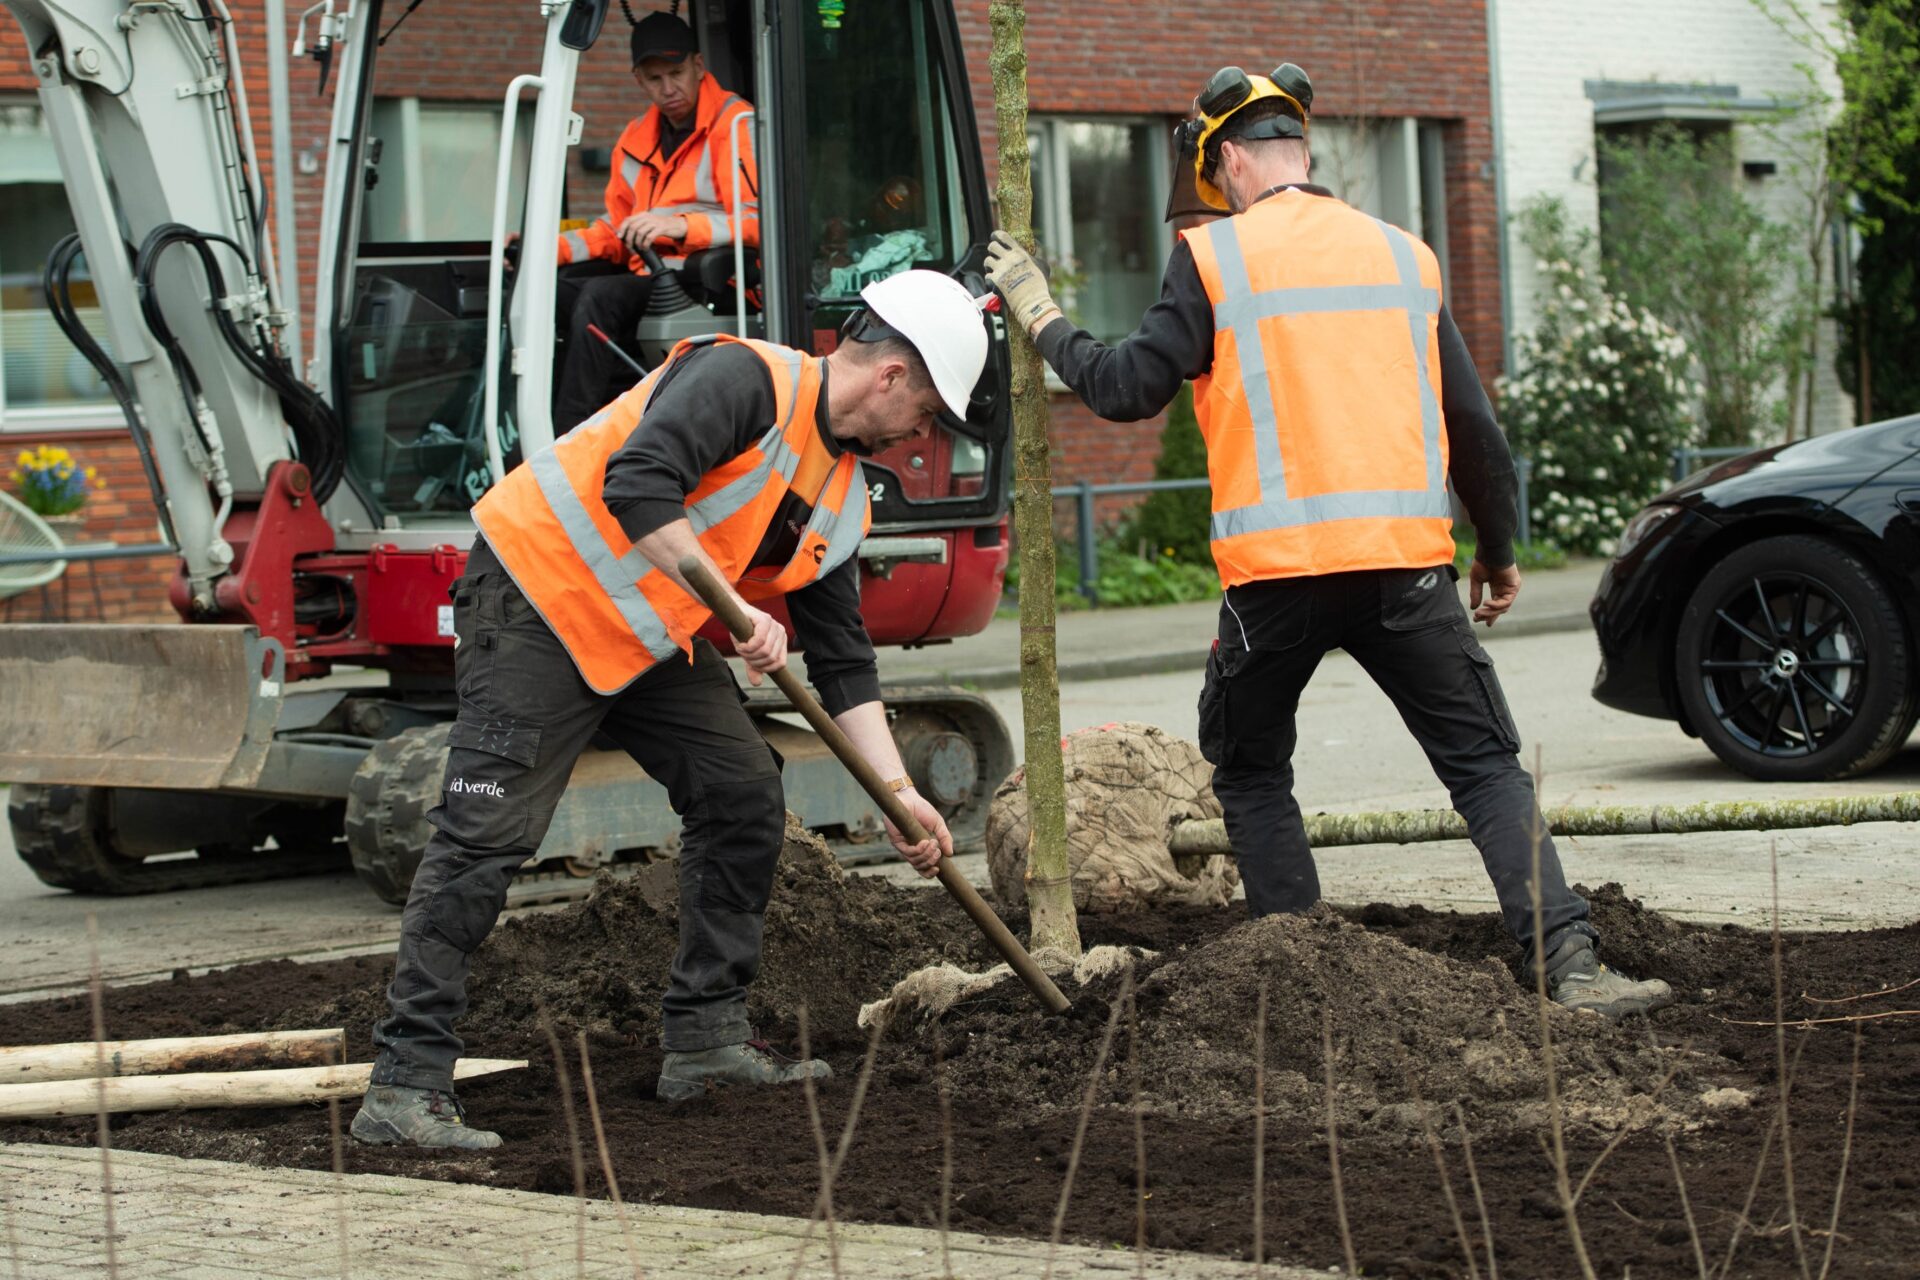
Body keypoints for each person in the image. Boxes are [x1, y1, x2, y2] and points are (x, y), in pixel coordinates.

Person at [984, 64, 1673, 1021]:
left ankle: (1305, 994)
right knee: (1483, 769)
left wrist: (1041, 313)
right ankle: (1571, 969)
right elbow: (1474, 427)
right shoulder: (1405, 255)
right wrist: (1499, 552)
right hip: (1405, 571)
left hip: (1276, 585)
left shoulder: (1215, 257)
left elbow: (1124, 390)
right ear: (1300, 150)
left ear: (1224, 159)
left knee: (1255, 774)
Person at [351, 269, 990, 1149]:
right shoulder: (743, 377)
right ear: (892, 375)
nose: (926, 434)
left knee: (742, 794)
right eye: (930, 412)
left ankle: (705, 1040)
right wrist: (738, 612)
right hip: (538, 596)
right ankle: (405, 1084)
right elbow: (638, 483)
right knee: (485, 835)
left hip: (645, 628)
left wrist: (896, 792)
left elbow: (843, 663)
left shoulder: (844, 498)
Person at [543, 10, 759, 430]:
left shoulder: (735, 125)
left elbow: (760, 222)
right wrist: (542, 251)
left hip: (716, 282)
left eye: (677, 72)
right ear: (639, 81)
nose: (668, 88)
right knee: (548, 292)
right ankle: (607, 414)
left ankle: (566, 435)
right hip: (651, 278)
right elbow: (615, 228)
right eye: (655, 79)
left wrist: (681, 225)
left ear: (699, 66)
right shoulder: (634, 138)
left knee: (601, 298)